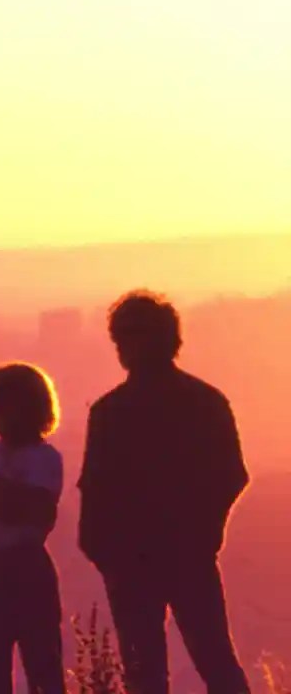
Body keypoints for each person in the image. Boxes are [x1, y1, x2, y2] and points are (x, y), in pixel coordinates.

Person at [79, 290, 250, 694]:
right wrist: (206, 532)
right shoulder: (204, 401)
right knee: (213, 662)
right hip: (177, 555)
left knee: (149, 672)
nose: (122, 349)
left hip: (139, 558)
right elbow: (232, 476)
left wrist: (101, 549)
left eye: (126, 340)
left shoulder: (110, 411)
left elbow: (94, 489)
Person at [0, 363, 65, 694]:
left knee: (42, 669)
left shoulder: (45, 458)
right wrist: (11, 499)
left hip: (26, 570)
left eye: (5, 408)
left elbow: (39, 513)